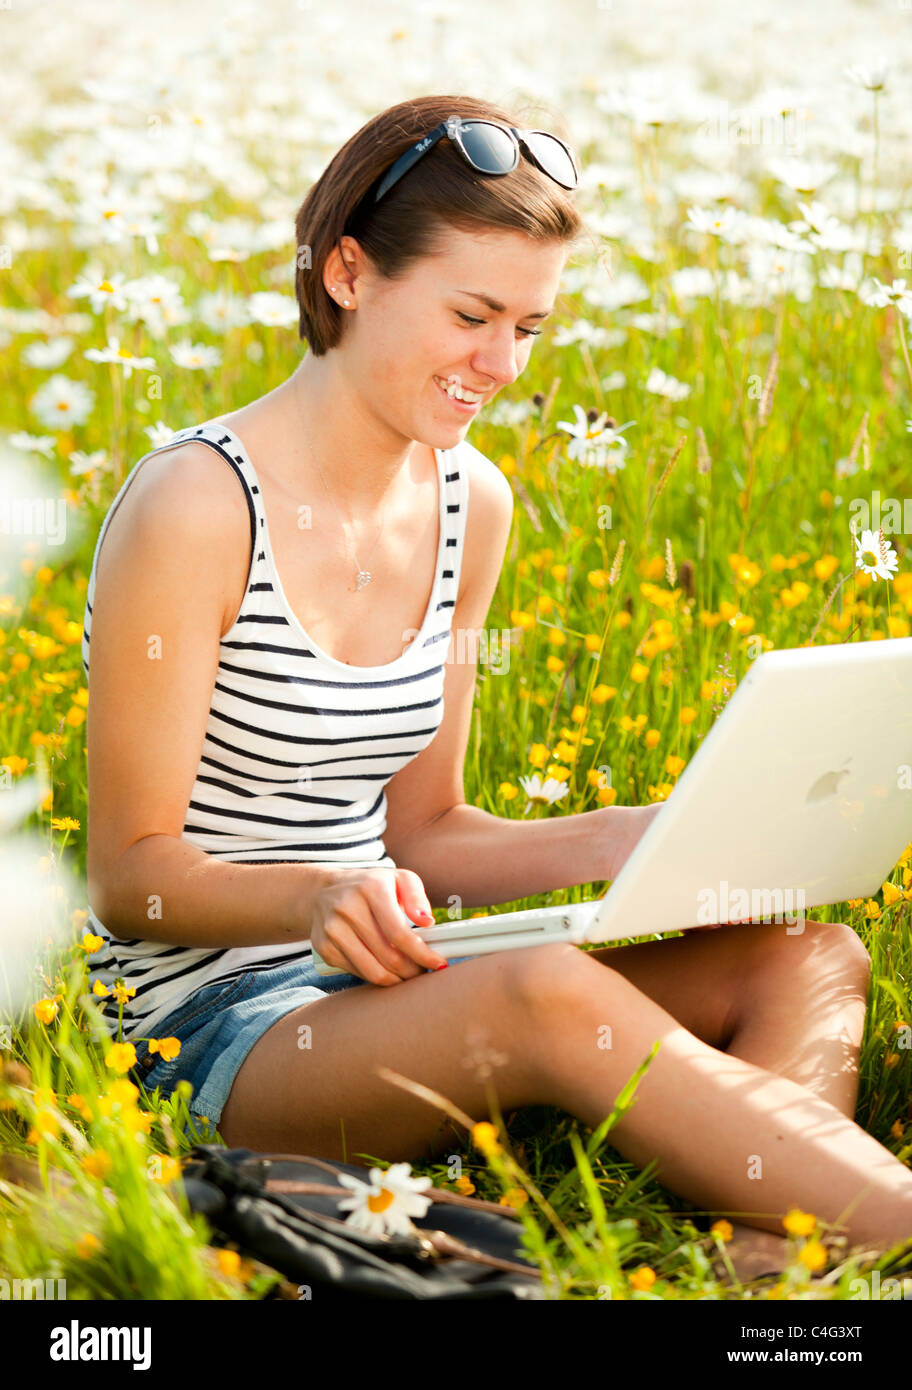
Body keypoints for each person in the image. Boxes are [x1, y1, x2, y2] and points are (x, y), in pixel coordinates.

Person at [82, 93, 912, 1282]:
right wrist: (315, 899)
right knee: (539, 991)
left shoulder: (472, 502)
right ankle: (879, 1223)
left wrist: (627, 839)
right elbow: (129, 879)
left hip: (387, 986)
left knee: (810, 956)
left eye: (530, 326)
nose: (501, 366)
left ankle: (757, 1261)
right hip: (204, 1032)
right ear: (352, 273)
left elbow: (429, 831)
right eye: (472, 315)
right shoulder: (196, 506)